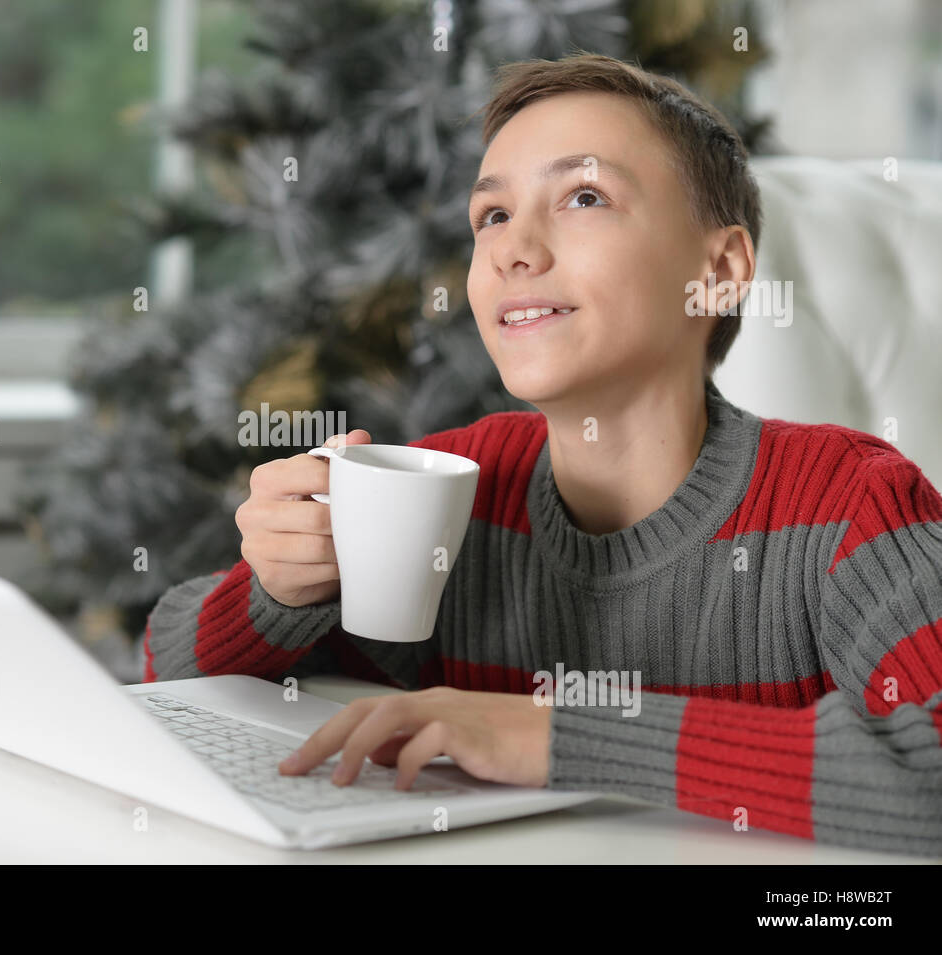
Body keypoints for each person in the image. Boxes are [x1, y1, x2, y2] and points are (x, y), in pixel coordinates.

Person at [142, 54, 942, 855]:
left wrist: (555, 734)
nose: (512, 250)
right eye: (491, 215)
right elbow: (162, 673)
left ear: (720, 270)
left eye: (584, 197)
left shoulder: (851, 503)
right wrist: (278, 592)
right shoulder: (457, 493)